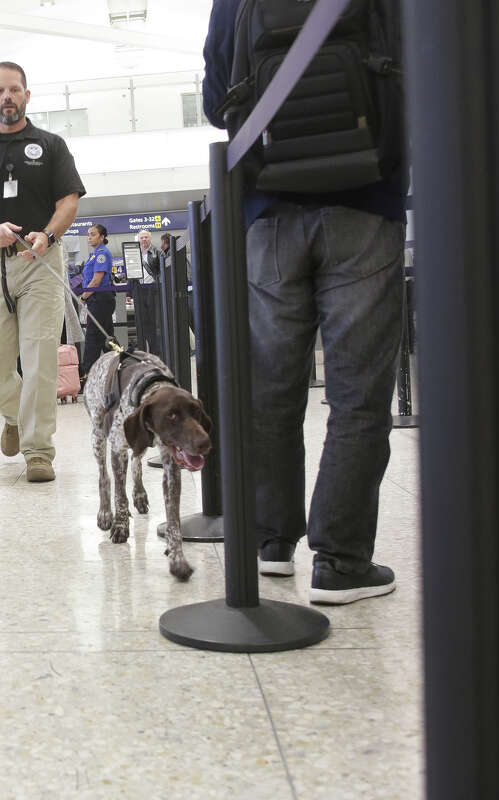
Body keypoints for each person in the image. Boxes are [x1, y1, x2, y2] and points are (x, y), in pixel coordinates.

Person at [204, 1, 407, 604]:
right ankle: (340, 563)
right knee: (358, 395)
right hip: (367, 199)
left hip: (268, 206)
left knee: (270, 389)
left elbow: (220, 99)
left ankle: (270, 543)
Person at [0, 61, 85, 483]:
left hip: (41, 264)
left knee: (41, 357)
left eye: (15, 90)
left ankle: (38, 451)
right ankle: (16, 416)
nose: (7, 97)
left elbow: (69, 201)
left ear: (27, 95)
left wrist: (47, 233)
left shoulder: (52, 145)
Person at [79, 224, 115, 378]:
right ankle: (118, 365)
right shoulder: (94, 255)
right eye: (88, 234)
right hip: (98, 300)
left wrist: (83, 297)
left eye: (93, 234)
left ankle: (87, 374)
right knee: (106, 335)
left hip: (100, 299)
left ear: (102, 237)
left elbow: (96, 281)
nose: (89, 237)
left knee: (93, 337)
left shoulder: (102, 254)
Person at [135, 229, 161, 353]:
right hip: (139, 291)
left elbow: (161, 272)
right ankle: (143, 351)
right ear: (138, 240)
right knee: (143, 322)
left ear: (150, 239)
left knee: (154, 322)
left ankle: (156, 351)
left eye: (146, 237)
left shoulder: (157, 252)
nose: (144, 239)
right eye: (142, 237)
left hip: (153, 290)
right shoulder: (134, 254)